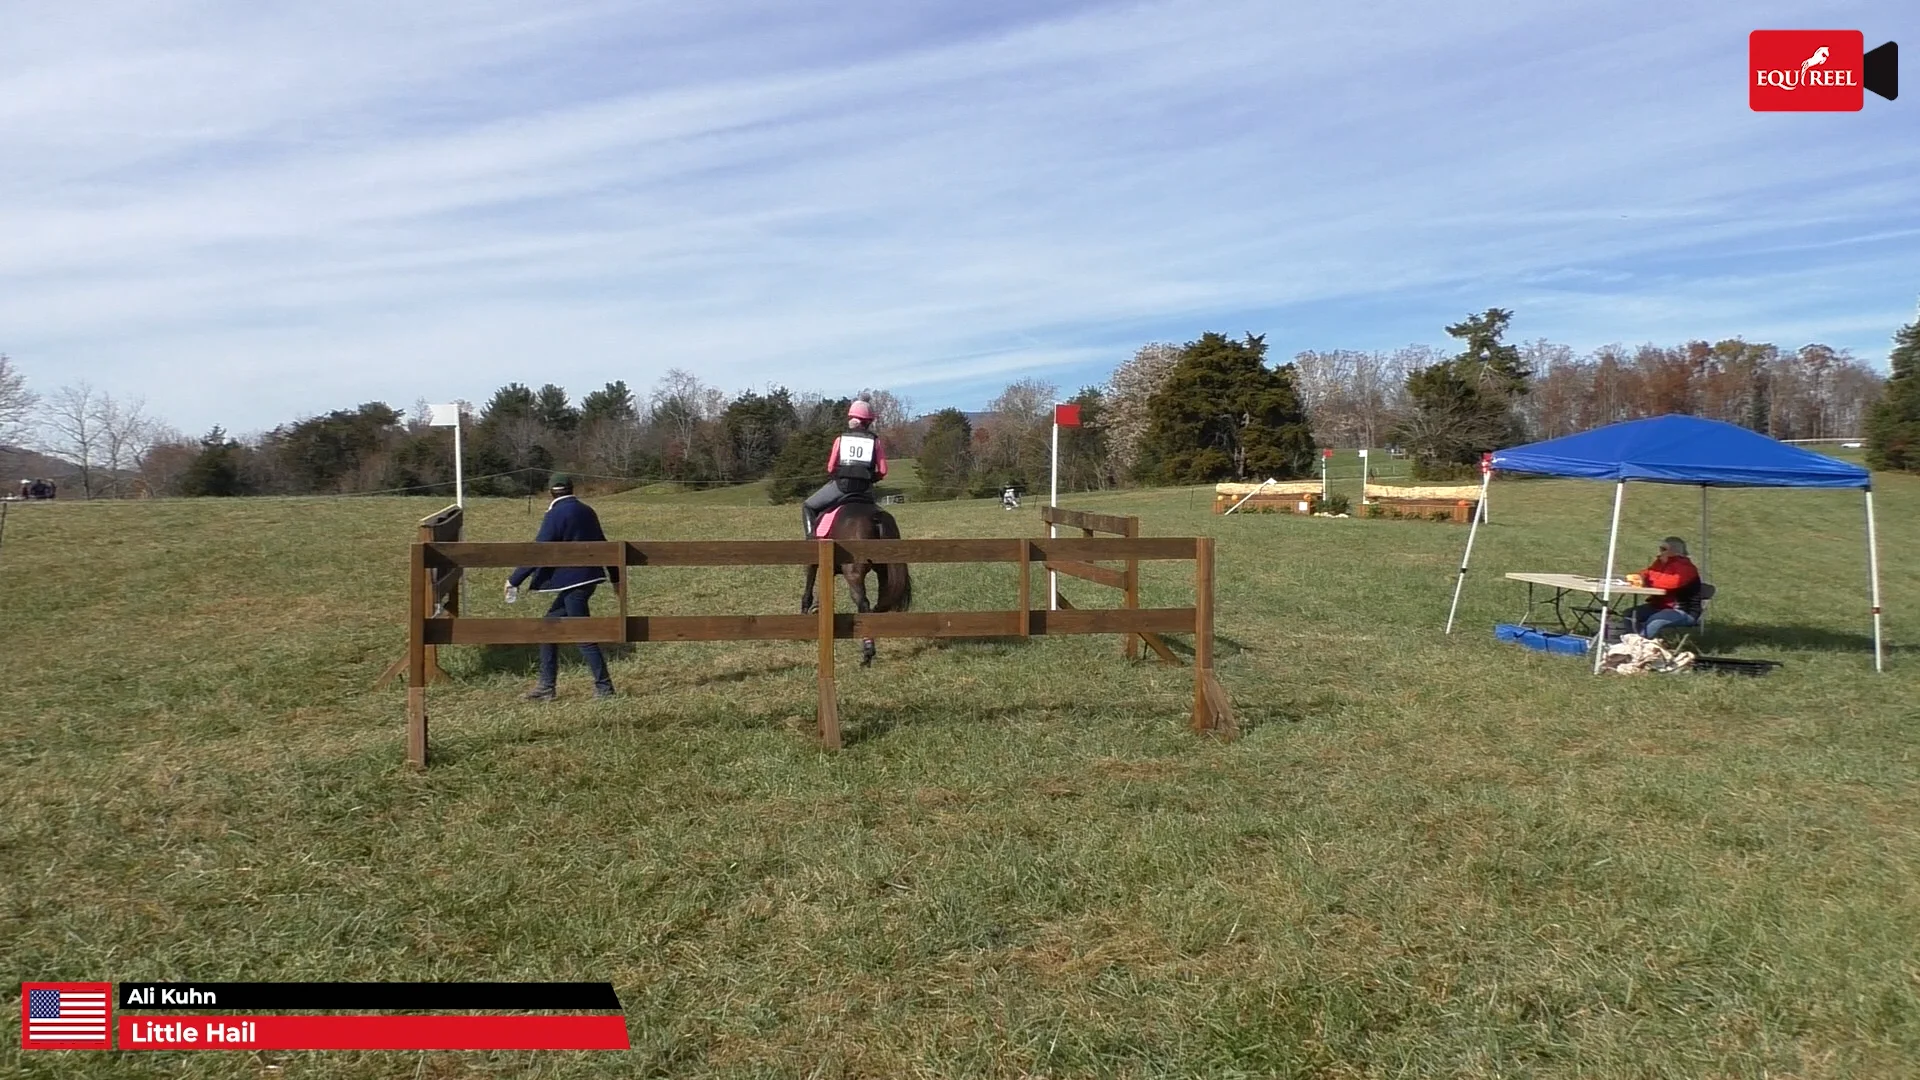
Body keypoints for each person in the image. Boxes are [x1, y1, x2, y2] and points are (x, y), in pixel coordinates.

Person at [506, 473, 618, 700]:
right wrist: (615, 578)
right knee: (548, 628)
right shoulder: (587, 510)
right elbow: (604, 544)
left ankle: (604, 689)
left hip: (573, 583)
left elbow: (540, 550)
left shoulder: (555, 514)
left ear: (551, 492)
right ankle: (547, 687)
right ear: (571, 488)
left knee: (582, 634)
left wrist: (514, 580)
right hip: (588, 580)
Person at [800, 396, 888, 539]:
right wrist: (870, 478)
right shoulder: (875, 441)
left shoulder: (841, 439)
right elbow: (883, 471)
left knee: (808, 506)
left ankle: (811, 541)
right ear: (869, 421)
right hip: (865, 489)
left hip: (841, 488)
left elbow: (830, 468)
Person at [1615, 536, 1702, 640]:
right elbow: (1648, 573)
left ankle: (1641, 643)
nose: (1660, 552)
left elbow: (1671, 583)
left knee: (1656, 619)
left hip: (1682, 611)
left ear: (1675, 551)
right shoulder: (1661, 562)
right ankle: (1634, 639)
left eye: (1663, 549)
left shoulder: (1686, 567)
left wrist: (1647, 581)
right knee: (1630, 614)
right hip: (1659, 606)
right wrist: (1641, 577)